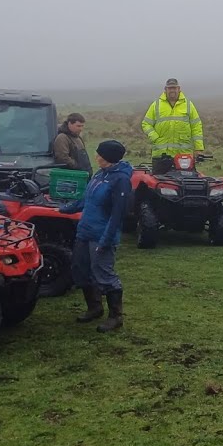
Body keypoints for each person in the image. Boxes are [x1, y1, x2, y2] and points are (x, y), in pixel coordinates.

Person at [60, 140, 133, 333]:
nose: (96, 156)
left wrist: (106, 240)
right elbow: (86, 199)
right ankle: (94, 307)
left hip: (102, 235)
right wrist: (64, 209)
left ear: (108, 158)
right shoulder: (101, 174)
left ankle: (115, 317)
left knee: (104, 274)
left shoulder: (121, 180)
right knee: (80, 269)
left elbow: (118, 215)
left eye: (100, 154)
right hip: (85, 231)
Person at [141, 78, 204, 174]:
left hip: (183, 155)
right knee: (160, 185)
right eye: (170, 88)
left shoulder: (188, 105)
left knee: (184, 185)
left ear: (179, 89)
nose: (172, 90)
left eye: (174, 88)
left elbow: (196, 127)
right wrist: (156, 138)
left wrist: (199, 149)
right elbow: (146, 123)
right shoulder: (156, 105)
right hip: (161, 155)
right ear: (165, 89)